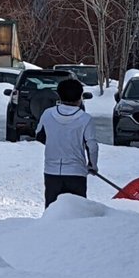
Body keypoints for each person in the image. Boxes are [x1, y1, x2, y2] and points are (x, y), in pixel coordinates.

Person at [35, 77, 99, 208]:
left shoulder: (47, 114)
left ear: (59, 95)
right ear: (80, 96)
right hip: (76, 173)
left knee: (52, 212)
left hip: (52, 172)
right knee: (76, 213)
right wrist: (92, 165)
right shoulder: (85, 119)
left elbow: (39, 135)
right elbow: (92, 146)